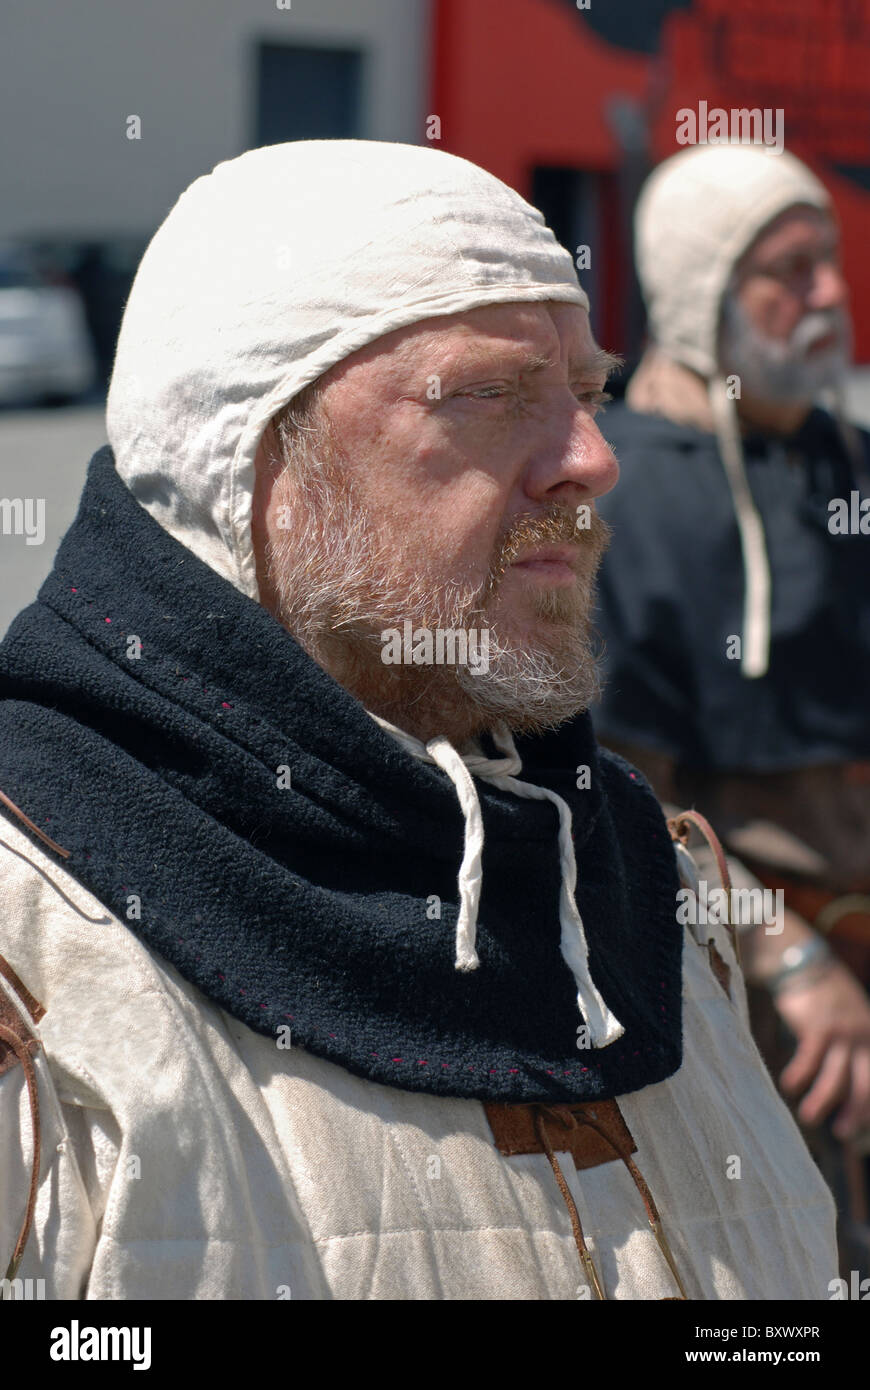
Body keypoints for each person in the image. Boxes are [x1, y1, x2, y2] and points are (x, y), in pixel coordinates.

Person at [0, 140, 837, 1301]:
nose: (593, 461)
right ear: (252, 455)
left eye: (589, 396)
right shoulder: (33, 957)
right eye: (489, 396)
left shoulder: (642, 896)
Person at [592, 143, 870, 1264]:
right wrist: (790, 959)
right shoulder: (619, 497)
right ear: (706, 294)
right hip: (739, 976)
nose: (832, 295)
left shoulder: (847, 468)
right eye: (788, 272)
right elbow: (625, 802)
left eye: (834, 260)